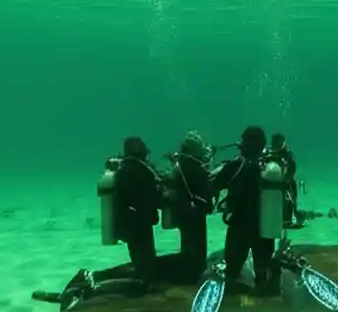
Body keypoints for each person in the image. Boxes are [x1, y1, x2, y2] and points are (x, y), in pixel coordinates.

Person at [211, 125, 278, 295]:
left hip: (239, 224)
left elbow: (213, 184)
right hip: (265, 224)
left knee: (232, 268)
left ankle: (232, 295)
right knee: (263, 268)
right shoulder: (271, 166)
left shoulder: (236, 166)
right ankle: (265, 290)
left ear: (245, 144)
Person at [164, 130, 214, 279]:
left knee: (188, 247)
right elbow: (205, 189)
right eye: (201, 145)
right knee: (196, 252)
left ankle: (187, 271)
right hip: (194, 215)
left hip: (184, 213)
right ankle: (191, 274)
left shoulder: (182, 165)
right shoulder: (194, 168)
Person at [113, 136, 162, 288]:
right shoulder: (144, 172)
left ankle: (141, 279)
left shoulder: (121, 172)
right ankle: (146, 283)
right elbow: (154, 198)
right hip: (142, 221)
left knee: (136, 252)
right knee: (146, 254)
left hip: (127, 222)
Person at [267, 132, 298, 227]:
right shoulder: (267, 152)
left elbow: (292, 169)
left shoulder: (289, 154)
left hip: (284, 182)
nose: (277, 145)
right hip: (269, 181)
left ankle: (290, 215)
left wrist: (285, 178)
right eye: (275, 142)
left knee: (289, 190)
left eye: (279, 142)